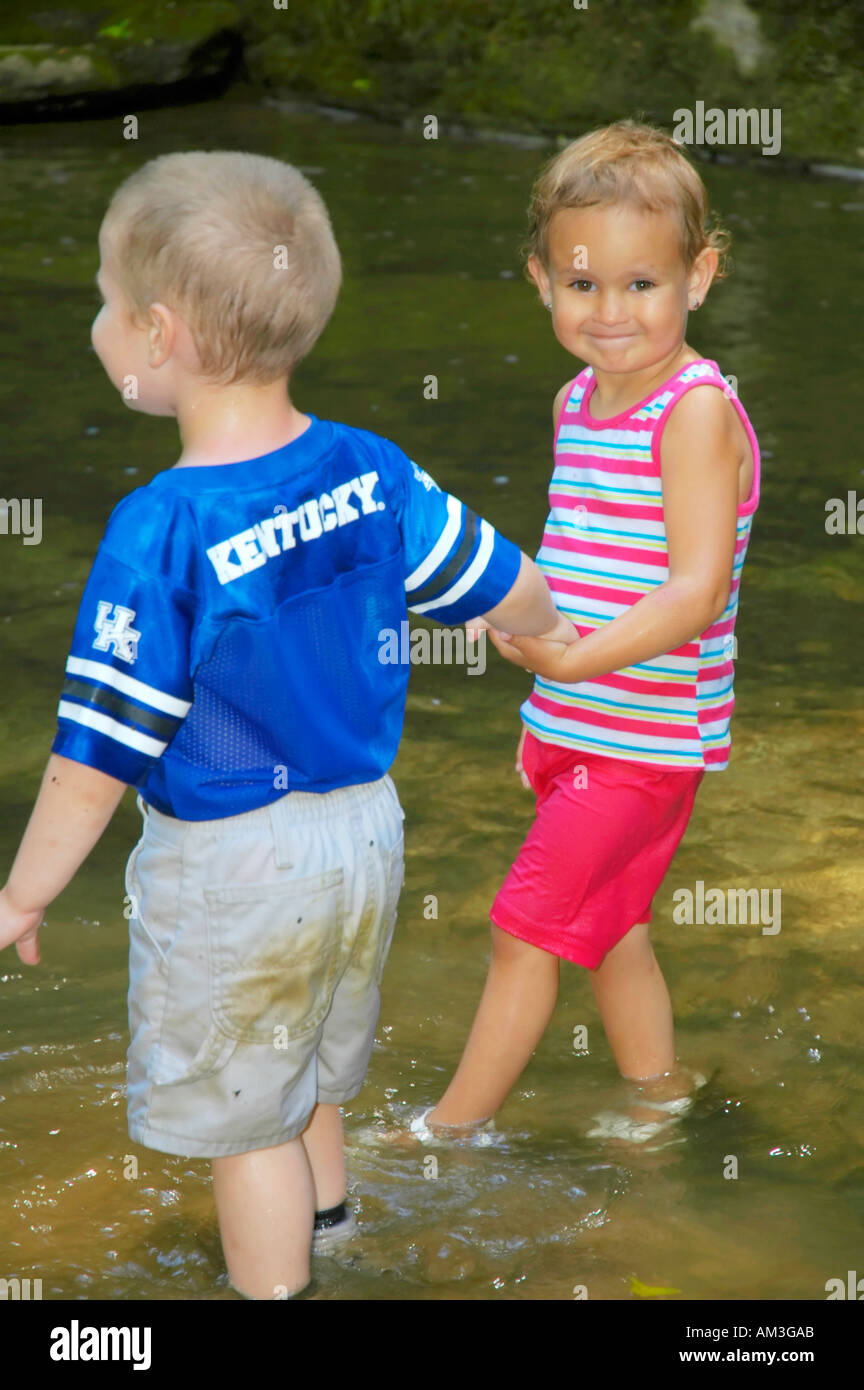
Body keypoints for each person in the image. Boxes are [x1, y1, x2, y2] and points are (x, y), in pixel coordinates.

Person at [0, 150, 576, 1298]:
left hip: (236, 864)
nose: (98, 328)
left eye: (107, 305)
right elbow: (506, 580)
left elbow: (97, 751)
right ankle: (339, 1239)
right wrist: (544, 630)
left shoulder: (163, 529)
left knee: (243, 1124)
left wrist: (25, 892)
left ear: (160, 333)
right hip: (364, 834)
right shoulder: (368, 467)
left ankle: (277, 1292)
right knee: (305, 1071)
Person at [417, 121, 761, 1149]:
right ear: (541, 280)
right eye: (582, 284)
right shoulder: (578, 400)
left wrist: (571, 659)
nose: (611, 313)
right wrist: (521, 625)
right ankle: (661, 1092)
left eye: (641, 284)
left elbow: (695, 591)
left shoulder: (693, 413)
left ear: (700, 277)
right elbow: (584, 555)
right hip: (576, 724)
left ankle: (450, 1135)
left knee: (521, 932)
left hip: (643, 744)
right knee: (614, 927)